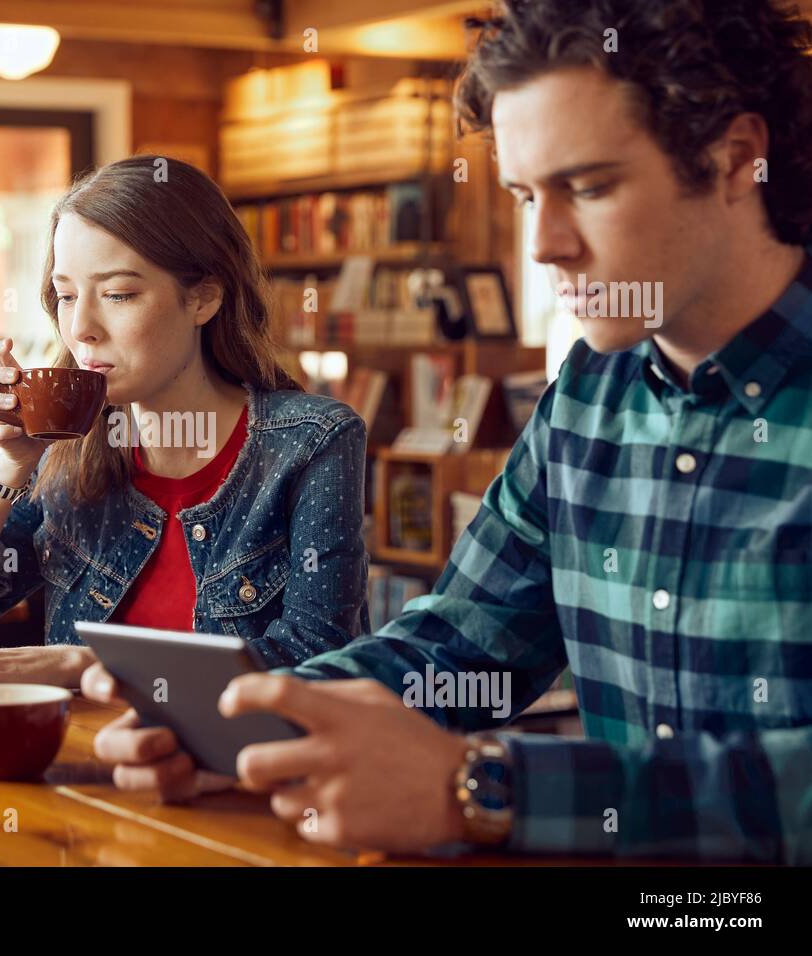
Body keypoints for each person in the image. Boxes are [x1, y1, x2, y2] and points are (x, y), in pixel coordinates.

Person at [86, 0, 812, 864]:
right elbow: (465, 639)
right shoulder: (586, 397)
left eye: (588, 187)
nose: (542, 244)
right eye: (521, 194)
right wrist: (249, 719)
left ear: (735, 161)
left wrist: (478, 787)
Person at [0, 156, 370, 688]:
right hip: (88, 760)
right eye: (67, 296)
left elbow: (318, 659)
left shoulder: (312, 441)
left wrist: (89, 666)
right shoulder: (70, 452)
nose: (81, 329)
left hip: (245, 765)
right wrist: (8, 468)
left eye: (119, 294)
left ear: (203, 297)